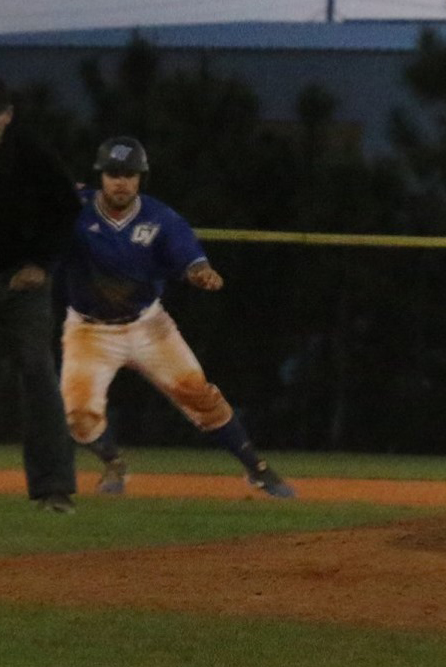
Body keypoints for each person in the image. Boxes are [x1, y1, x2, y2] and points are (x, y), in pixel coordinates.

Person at [59, 136, 295, 499]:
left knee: (199, 394)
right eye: (113, 173)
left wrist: (200, 270)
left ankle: (257, 468)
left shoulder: (159, 217)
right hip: (89, 330)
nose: (121, 181)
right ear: (100, 177)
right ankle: (113, 462)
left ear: (141, 179)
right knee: (78, 415)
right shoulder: (77, 209)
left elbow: (188, 253)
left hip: (148, 324)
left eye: (129, 174)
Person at [0, 80, 81, 514]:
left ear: (8, 115)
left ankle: (54, 488)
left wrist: (42, 264)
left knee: (35, 368)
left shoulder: (30, 153)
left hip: (22, 278)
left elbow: (67, 207)